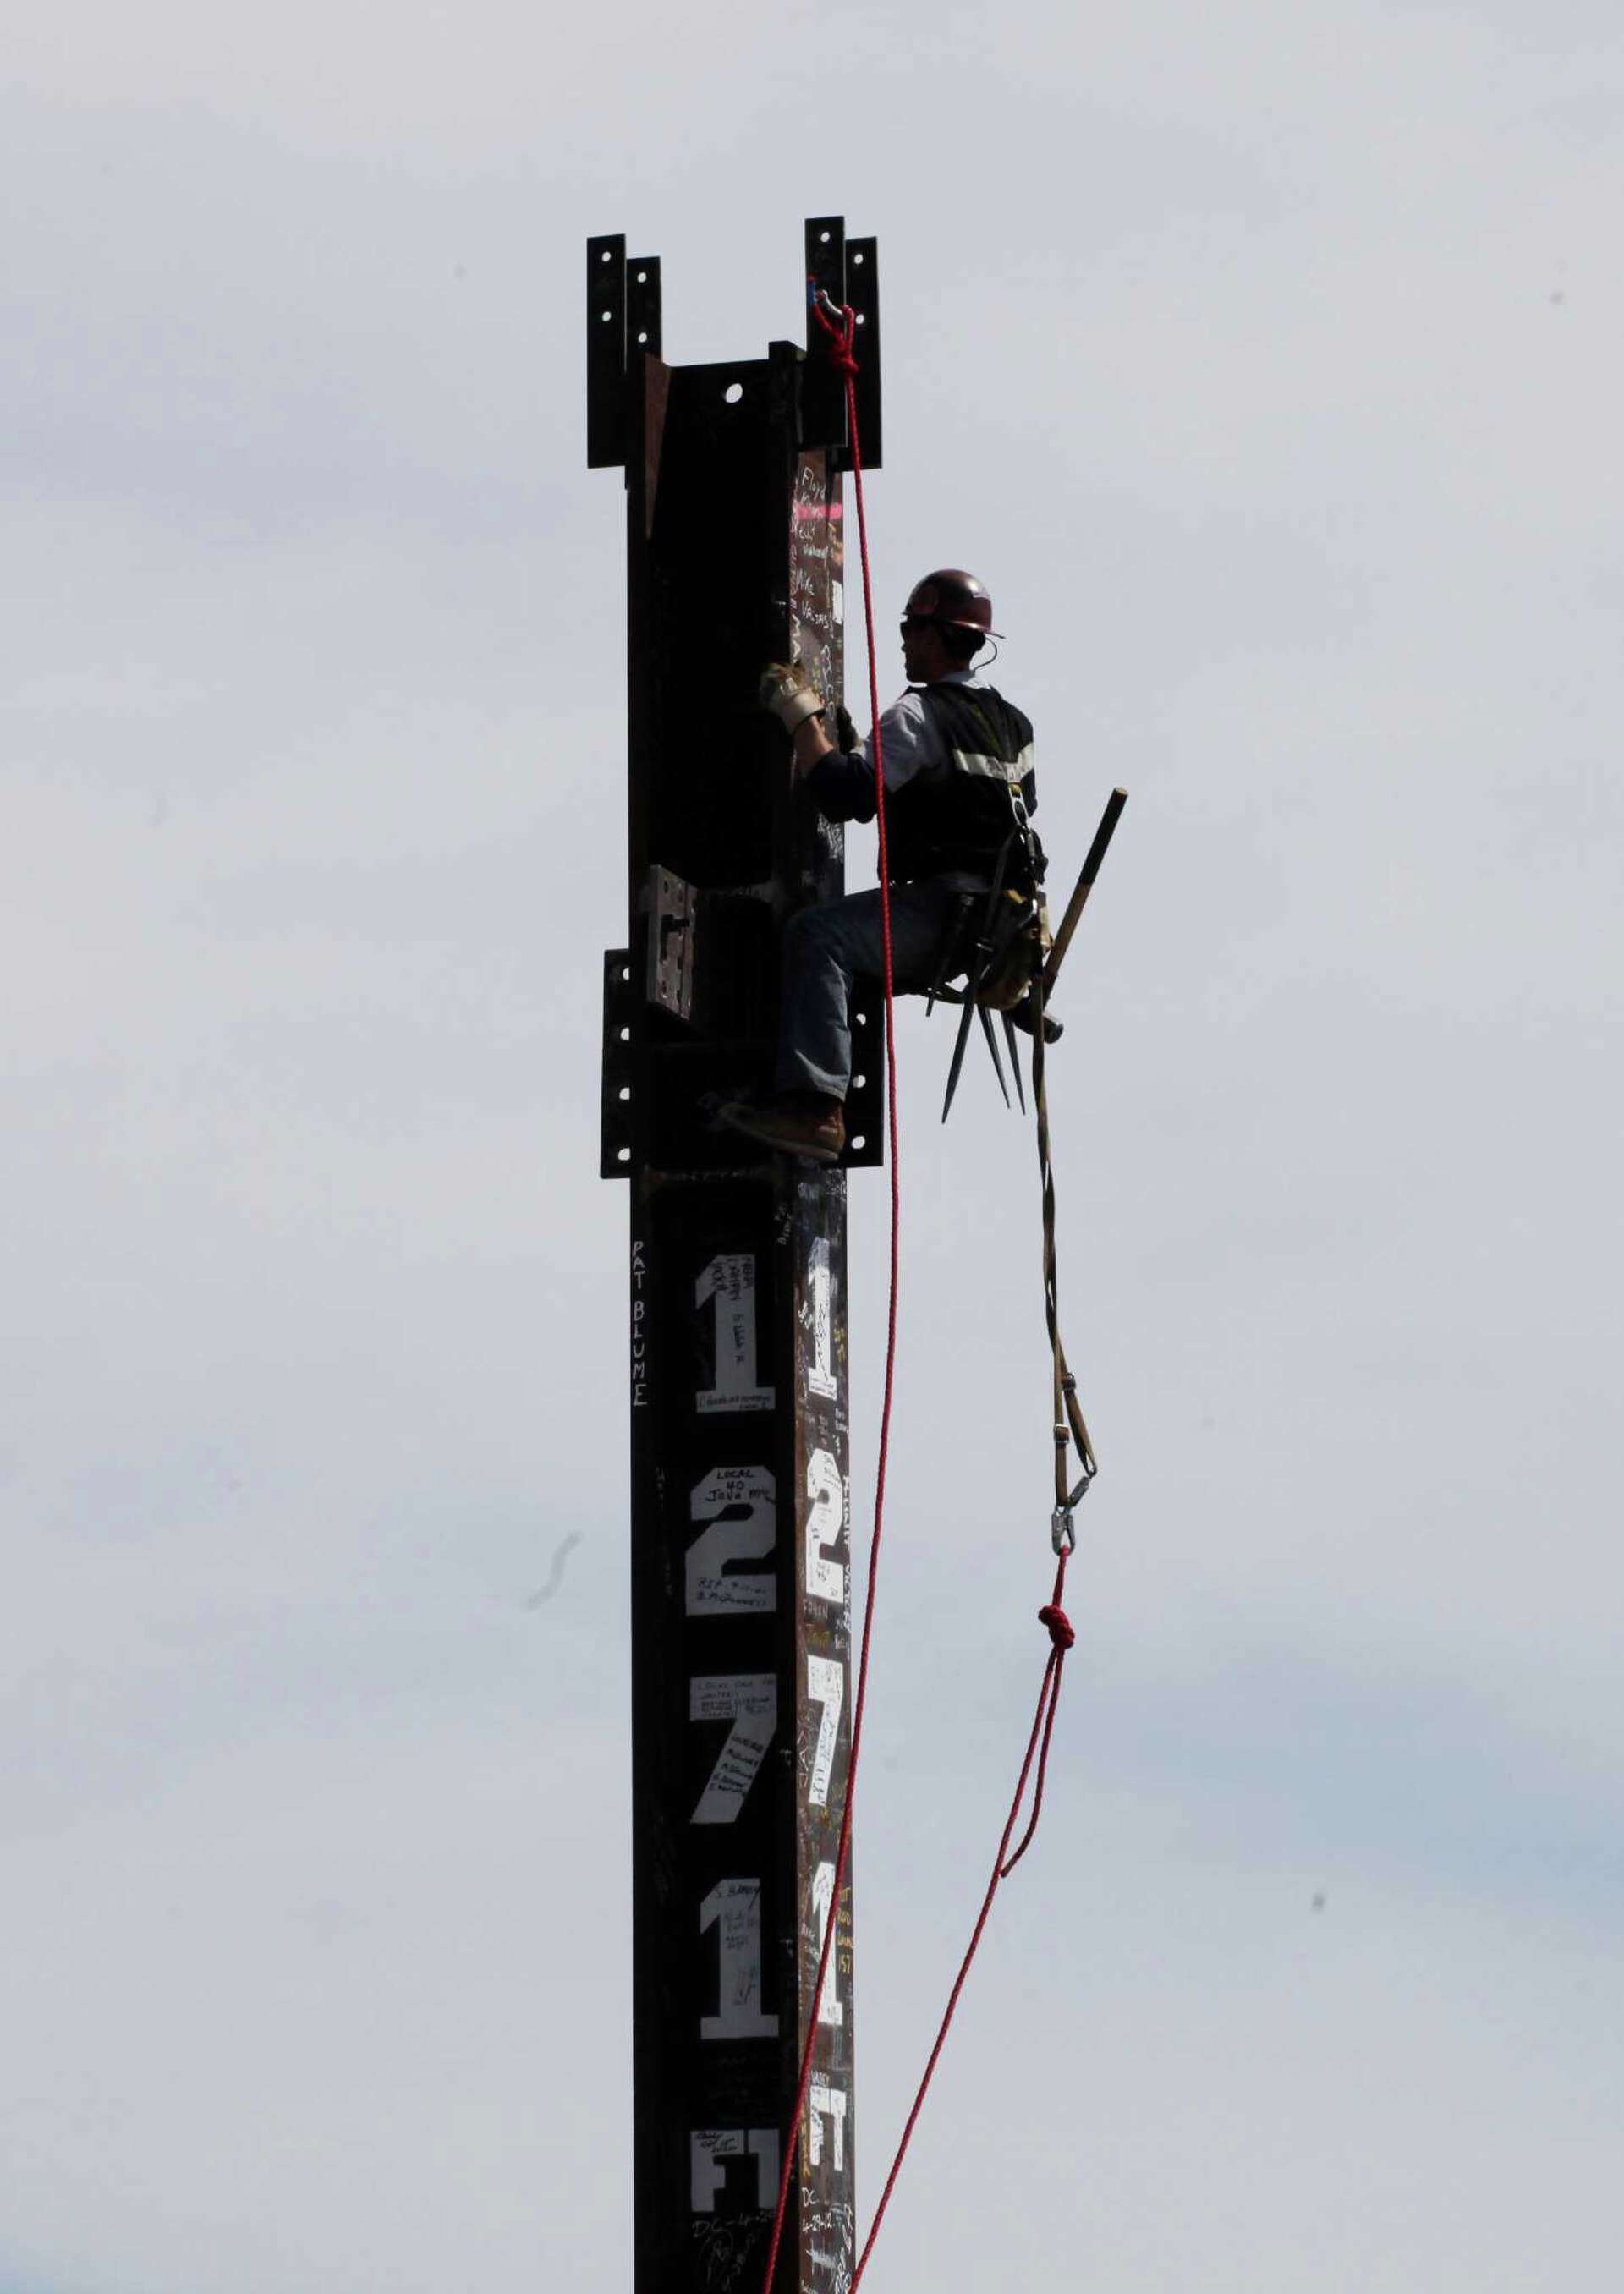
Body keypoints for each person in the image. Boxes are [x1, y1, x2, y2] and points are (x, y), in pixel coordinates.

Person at [720, 569, 1040, 1162]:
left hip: (944, 910)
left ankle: (816, 1109)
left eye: (909, 629)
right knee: (841, 951)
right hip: (994, 924)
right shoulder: (1012, 725)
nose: (900, 640)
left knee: (821, 937)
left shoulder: (920, 714)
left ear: (937, 635)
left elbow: (846, 795)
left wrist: (799, 716)